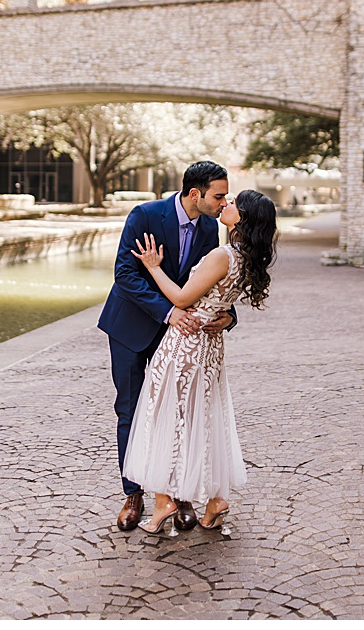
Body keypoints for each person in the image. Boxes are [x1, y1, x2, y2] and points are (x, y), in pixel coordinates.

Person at [123, 188, 278, 535]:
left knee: (164, 416)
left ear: (245, 218)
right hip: (210, 347)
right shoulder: (246, 257)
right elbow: (219, 301)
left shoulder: (222, 255)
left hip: (185, 345)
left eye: (234, 203)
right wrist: (224, 317)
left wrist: (153, 267)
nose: (226, 204)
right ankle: (214, 501)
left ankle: (163, 502)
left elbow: (181, 297)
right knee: (203, 420)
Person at [97, 161, 235, 532]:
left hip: (178, 337)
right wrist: (167, 312)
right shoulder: (145, 215)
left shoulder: (209, 227)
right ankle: (134, 494)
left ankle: (178, 493)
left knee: (178, 414)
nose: (224, 203)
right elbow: (124, 274)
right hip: (128, 327)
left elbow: (208, 280)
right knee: (129, 409)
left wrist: (229, 316)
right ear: (196, 194)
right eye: (219, 196)